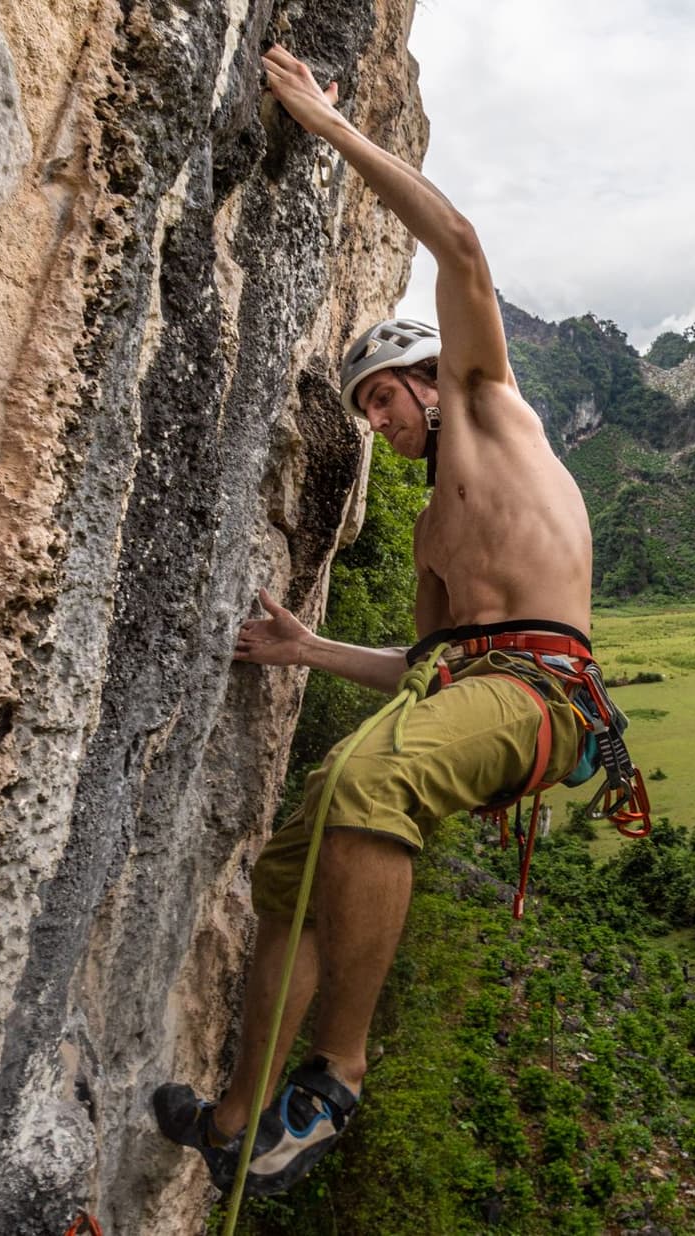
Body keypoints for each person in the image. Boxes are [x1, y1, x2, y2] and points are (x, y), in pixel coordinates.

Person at [153, 43, 599, 1198]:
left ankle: (334, 1077)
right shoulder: (435, 536)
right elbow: (422, 666)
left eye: (385, 397)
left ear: (430, 374)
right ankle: (241, 1113)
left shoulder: (491, 410)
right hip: (470, 694)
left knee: (367, 789)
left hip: (543, 698)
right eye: (365, 410)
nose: (379, 423)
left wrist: (326, 125)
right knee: (290, 868)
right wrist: (305, 650)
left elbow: (459, 249)